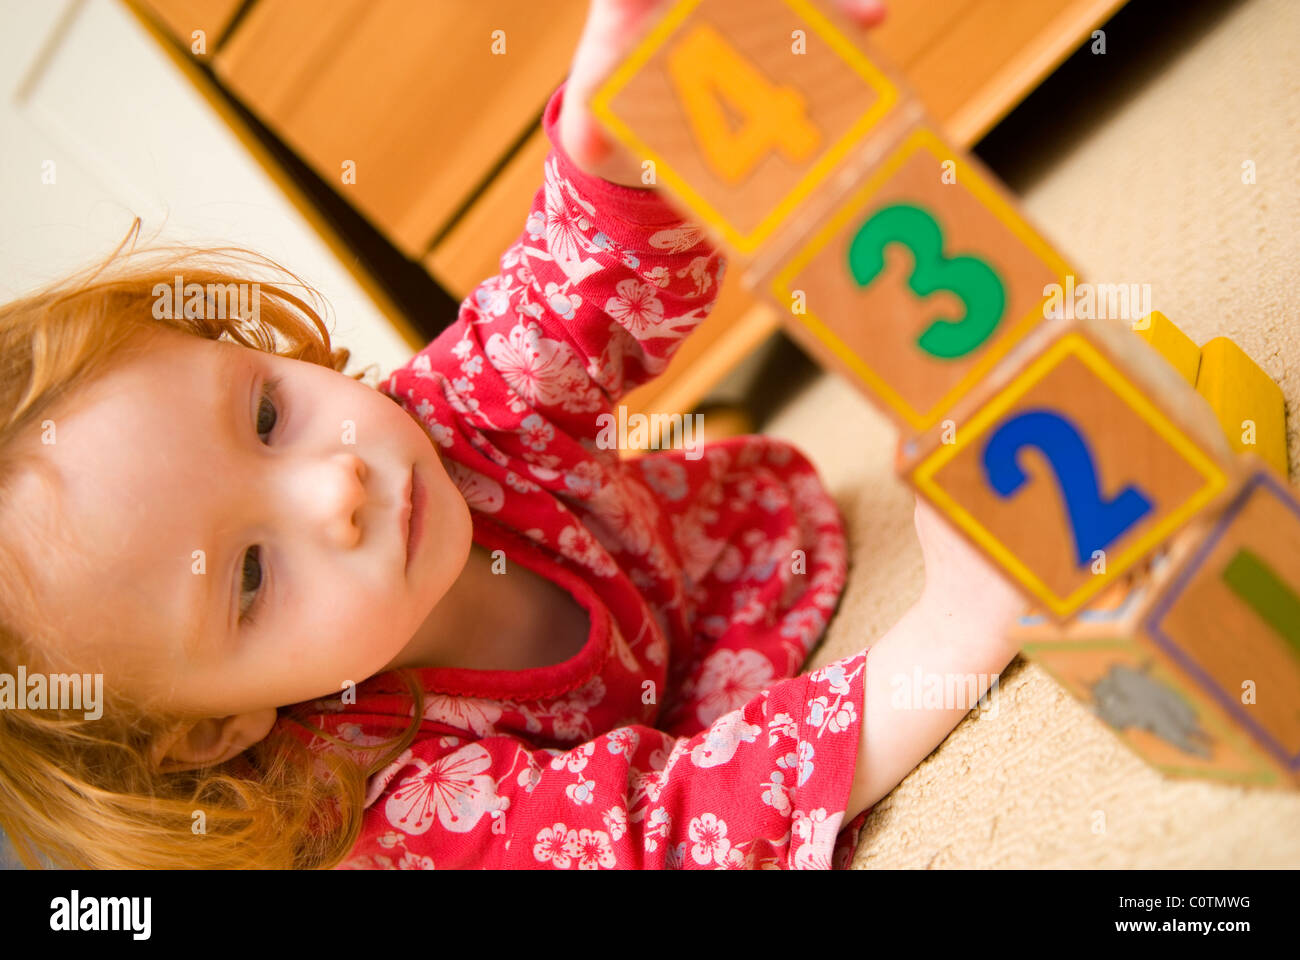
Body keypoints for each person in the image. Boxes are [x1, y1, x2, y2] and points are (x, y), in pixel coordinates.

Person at [0, 0, 1024, 869]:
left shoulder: (436, 419)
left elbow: (574, 294)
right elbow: (651, 838)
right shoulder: (384, 810)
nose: (336, 487)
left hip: (720, 585)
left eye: (268, 415)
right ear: (216, 730)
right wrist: (950, 641)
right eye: (253, 578)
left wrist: (613, 122)